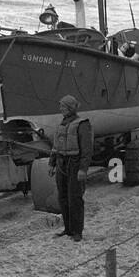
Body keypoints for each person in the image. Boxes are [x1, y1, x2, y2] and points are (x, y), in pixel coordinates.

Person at [48, 95, 93, 242]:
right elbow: (56, 147)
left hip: (74, 164)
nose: (60, 109)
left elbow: (87, 150)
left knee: (75, 198)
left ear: (70, 108)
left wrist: (83, 169)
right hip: (62, 164)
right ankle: (68, 229)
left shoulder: (82, 124)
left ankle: (77, 231)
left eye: (63, 106)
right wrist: (51, 163)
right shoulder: (62, 124)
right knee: (63, 198)